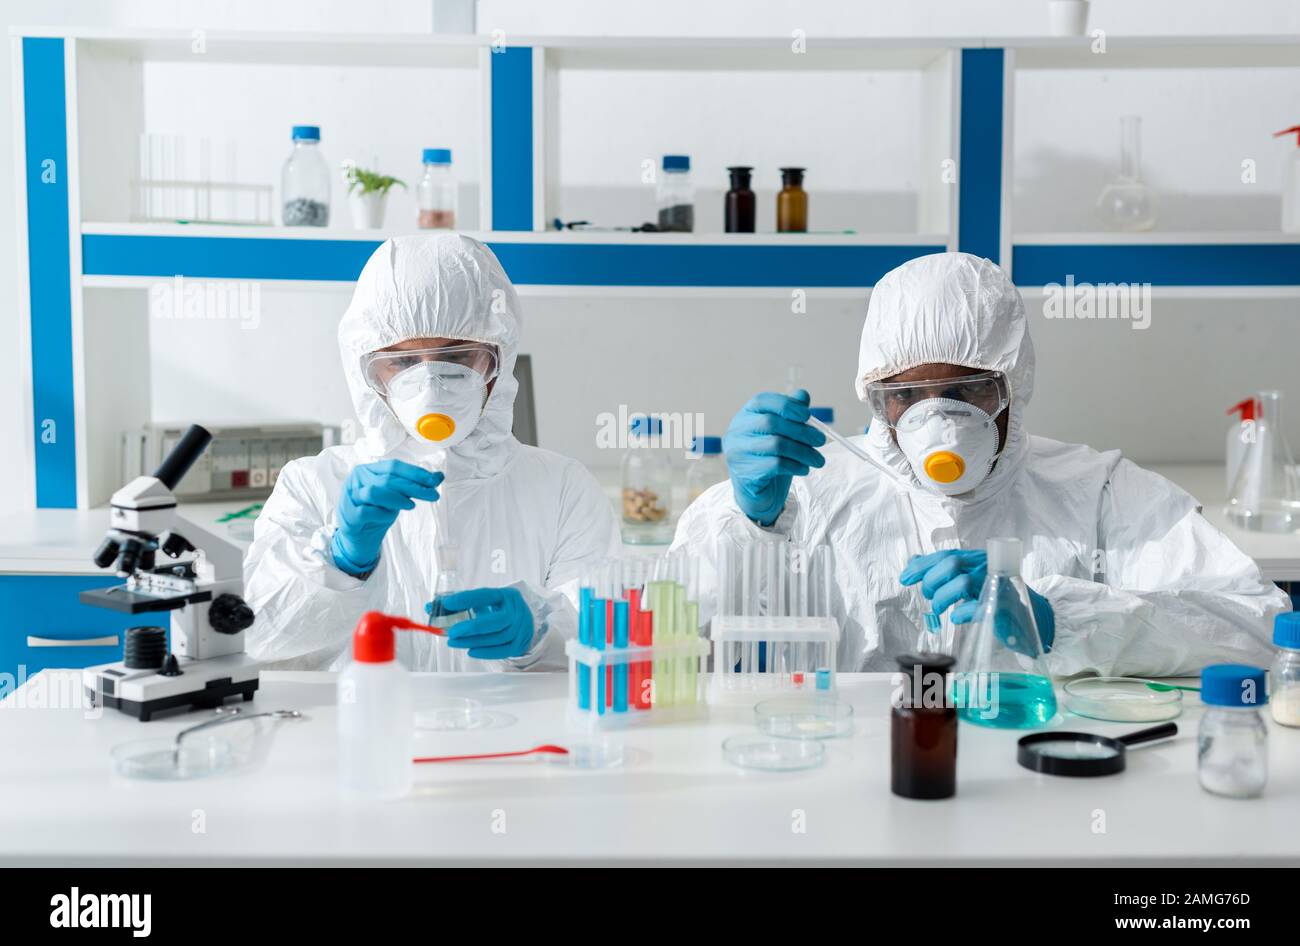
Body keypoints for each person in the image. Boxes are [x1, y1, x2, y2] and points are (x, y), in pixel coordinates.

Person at [672, 252, 1289, 676]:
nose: (936, 421)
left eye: (966, 390)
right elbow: (672, 633)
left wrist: (1059, 619)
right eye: (906, 397)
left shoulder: (1096, 492)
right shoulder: (806, 489)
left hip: (1033, 774)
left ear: (1012, 385)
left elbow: (1258, 630)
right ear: (873, 396)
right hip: (849, 783)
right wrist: (749, 519)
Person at [244, 235, 620, 671]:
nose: (429, 385)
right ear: (366, 370)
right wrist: (341, 561)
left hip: (516, 737)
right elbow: (259, 638)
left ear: (498, 357)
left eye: (455, 357)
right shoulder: (313, 484)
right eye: (402, 363)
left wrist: (540, 631)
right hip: (364, 732)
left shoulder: (562, 489)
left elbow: (609, 637)